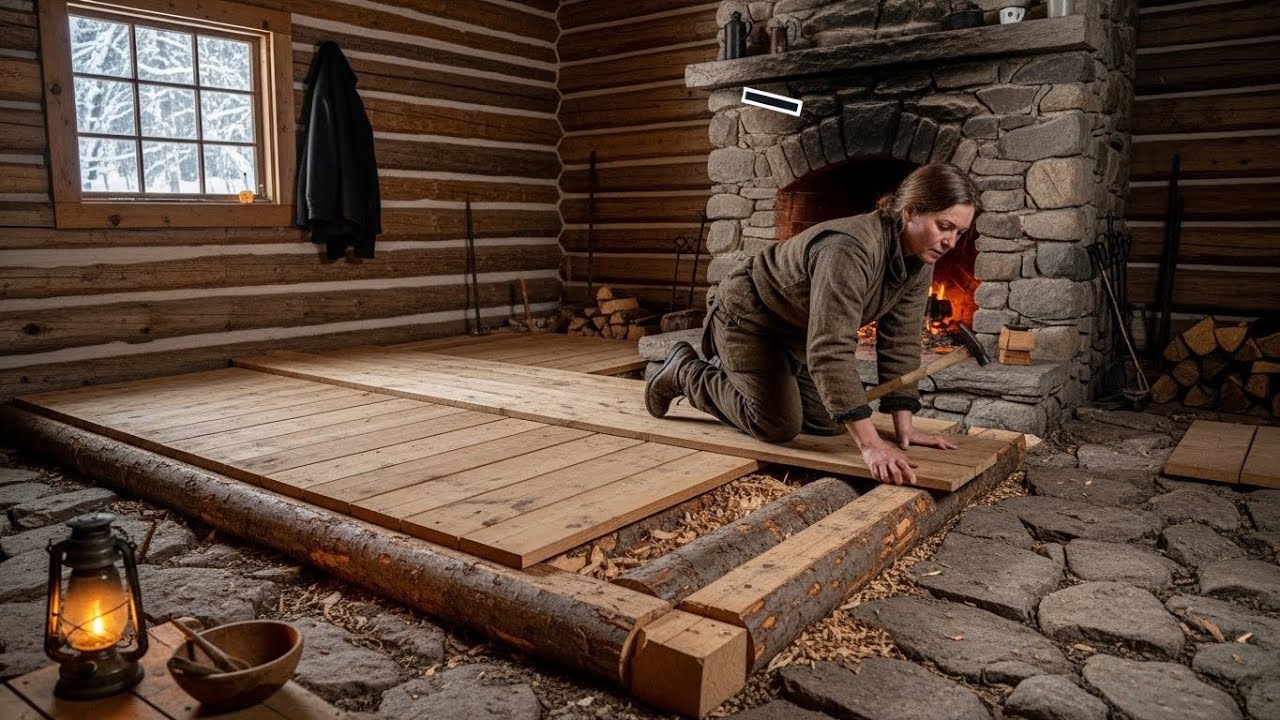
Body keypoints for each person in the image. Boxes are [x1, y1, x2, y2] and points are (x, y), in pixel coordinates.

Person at [645, 162, 981, 486]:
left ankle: (762, 377)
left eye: (960, 232)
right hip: (748, 319)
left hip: (794, 331)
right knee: (778, 424)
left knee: (829, 422)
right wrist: (870, 445)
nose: (951, 243)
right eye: (944, 226)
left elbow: (900, 342)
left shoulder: (919, 260)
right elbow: (829, 350)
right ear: (910, 212)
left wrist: (904, 427)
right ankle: (686, 371)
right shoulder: (849, 250)